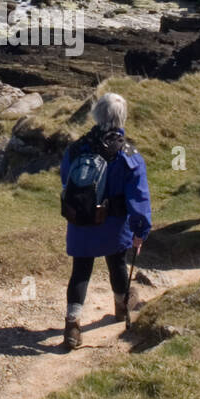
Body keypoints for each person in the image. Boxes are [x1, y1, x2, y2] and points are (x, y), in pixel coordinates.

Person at [60, 92, 152, 350]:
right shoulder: (128, 155)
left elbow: (67, 181)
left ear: (96, 114)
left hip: (82, 221)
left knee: (80, 272)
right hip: (114, 224)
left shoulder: (76, 148)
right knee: (117, 264)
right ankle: (122, 307)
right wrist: (140, 231)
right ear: (122, 117)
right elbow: (139, 197)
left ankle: (72, 324)